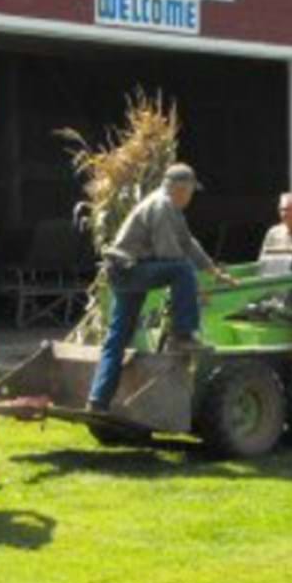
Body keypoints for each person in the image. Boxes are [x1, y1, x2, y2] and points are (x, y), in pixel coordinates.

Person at [87, 163, 237, 413]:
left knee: (117, 339)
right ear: (181, 189)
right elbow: (169, 254)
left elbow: (187, 242)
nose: (191, 197)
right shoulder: (162, 206)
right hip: (130, 269)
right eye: (191, 192)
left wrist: (213, 270)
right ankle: (183, 335)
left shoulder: (168, 207)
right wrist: (193, 286)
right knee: (182, 270)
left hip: (122, 271)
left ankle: (98, 400)